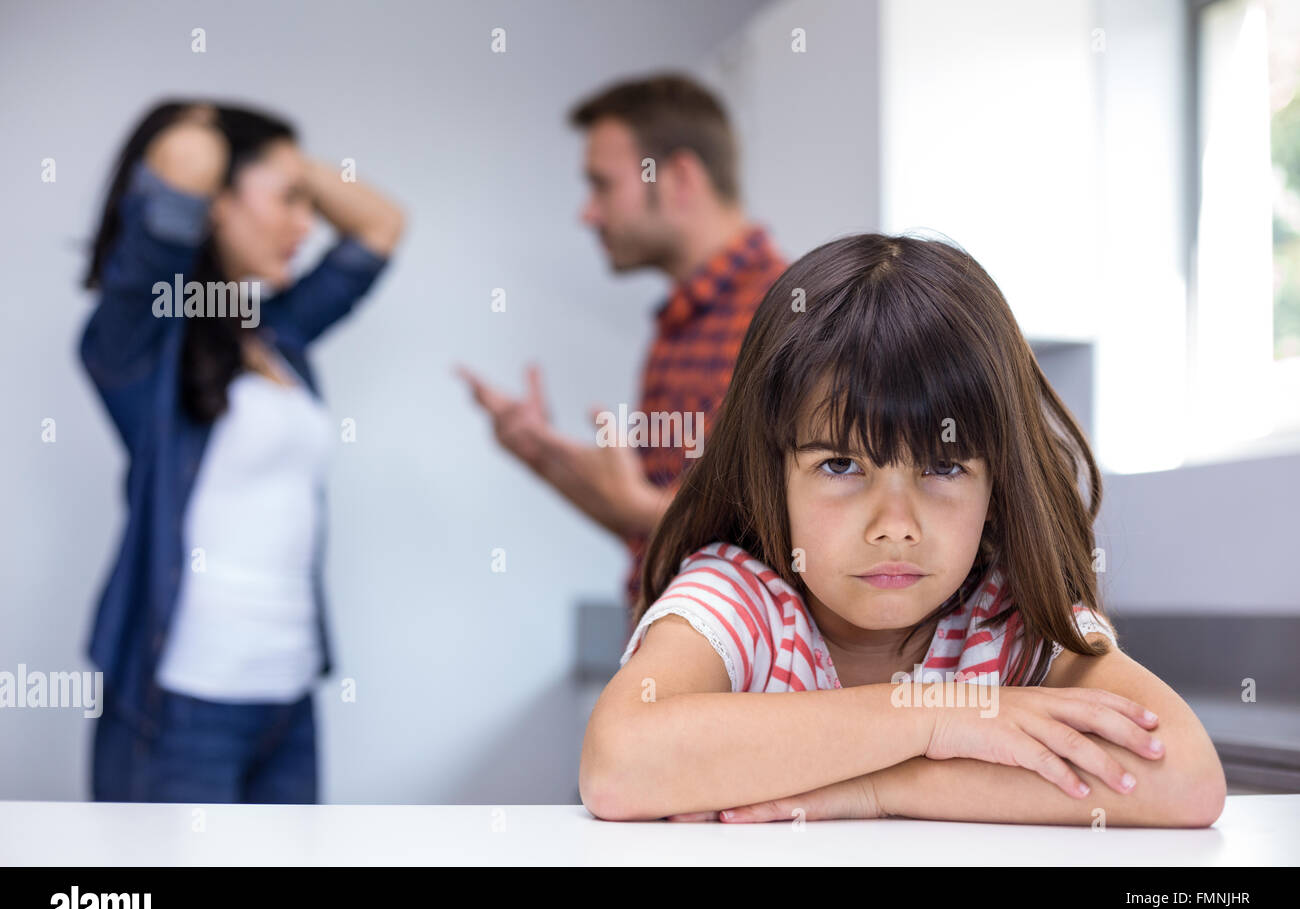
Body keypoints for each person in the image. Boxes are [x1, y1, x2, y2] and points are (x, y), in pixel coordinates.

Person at [579, 233, 1227, 827]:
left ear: (997, 485)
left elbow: (1184, 777)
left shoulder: (1009, 620)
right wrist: (936, 717)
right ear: (767, 474)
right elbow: (617, 765)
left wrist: (880, 786)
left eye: (943, 466)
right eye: (840, 464)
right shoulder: (741, 600)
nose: (895, 528)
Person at [79, 101, 404, 802]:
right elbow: (187, 165)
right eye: (286, 200)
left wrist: (287, 167)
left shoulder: (277, 334)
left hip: (287, 700)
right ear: (217, 207)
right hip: (181, 711)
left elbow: (381, 227)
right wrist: (211, 122)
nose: (306, 223)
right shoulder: (140, 341)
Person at [456, 73, 786, 619]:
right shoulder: (681, 322)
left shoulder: (789, 315)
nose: (587, 212)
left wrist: (640, 505)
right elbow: (655, 526)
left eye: (602, 185)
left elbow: (787, 543)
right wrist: (543, 457)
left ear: (679, 177)